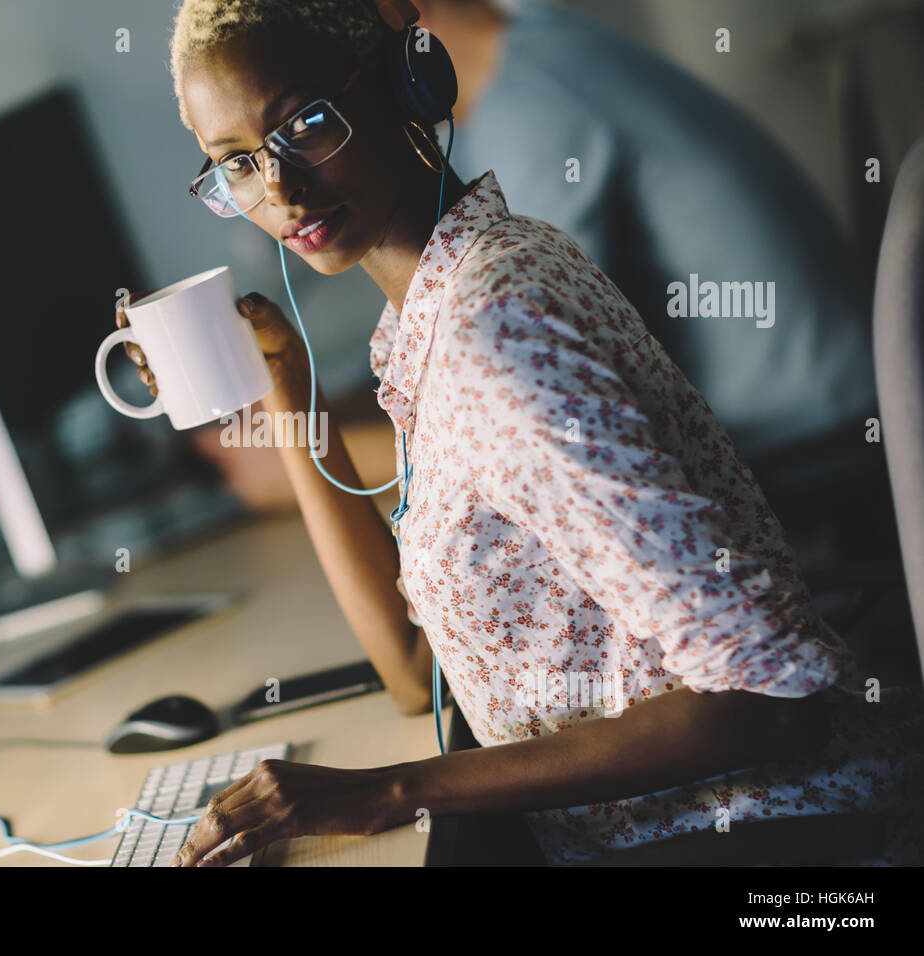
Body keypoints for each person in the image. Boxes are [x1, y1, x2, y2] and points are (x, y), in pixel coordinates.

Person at [128, 0, 922, 866]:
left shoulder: (491, 331)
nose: (278, 189)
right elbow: (411, 669)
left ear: (408, 79)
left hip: (788, 844)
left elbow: (773, 699)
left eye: (305, 123)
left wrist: (389, 790)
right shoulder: (443, 304)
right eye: (236, 164)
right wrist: (285, 382)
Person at [187, 0, 896, 568]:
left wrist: (299, 452)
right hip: (820, 425)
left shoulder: (533, 113)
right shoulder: (537, 46)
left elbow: (541, 394)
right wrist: (308, 395)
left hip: (823, 464)